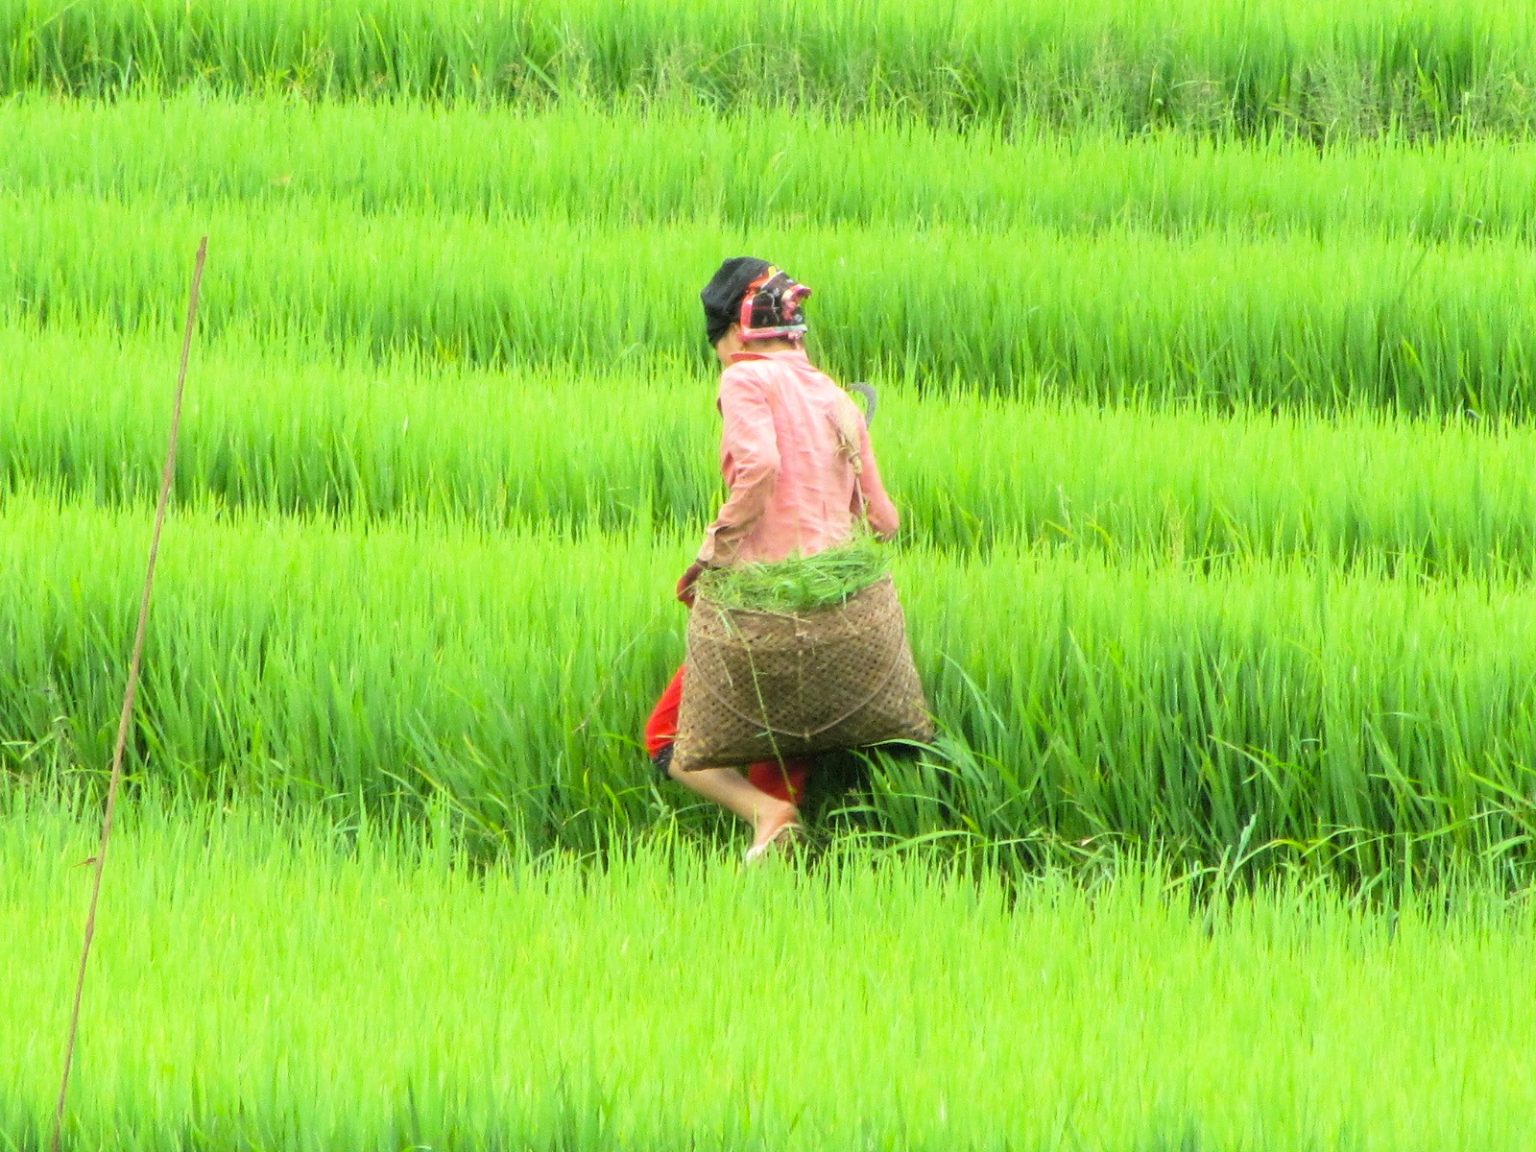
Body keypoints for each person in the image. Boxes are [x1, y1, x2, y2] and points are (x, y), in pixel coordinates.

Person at [644, 257, 900, 862]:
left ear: (733, 331)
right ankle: (778, 844)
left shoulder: (743, 379)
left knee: (667, 738)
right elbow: (884, 522)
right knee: (785, 750)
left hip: (763, 615)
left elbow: (758, 470)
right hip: (836, 625)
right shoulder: (834, 395)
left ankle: (769, 815)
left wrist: (713, 554)